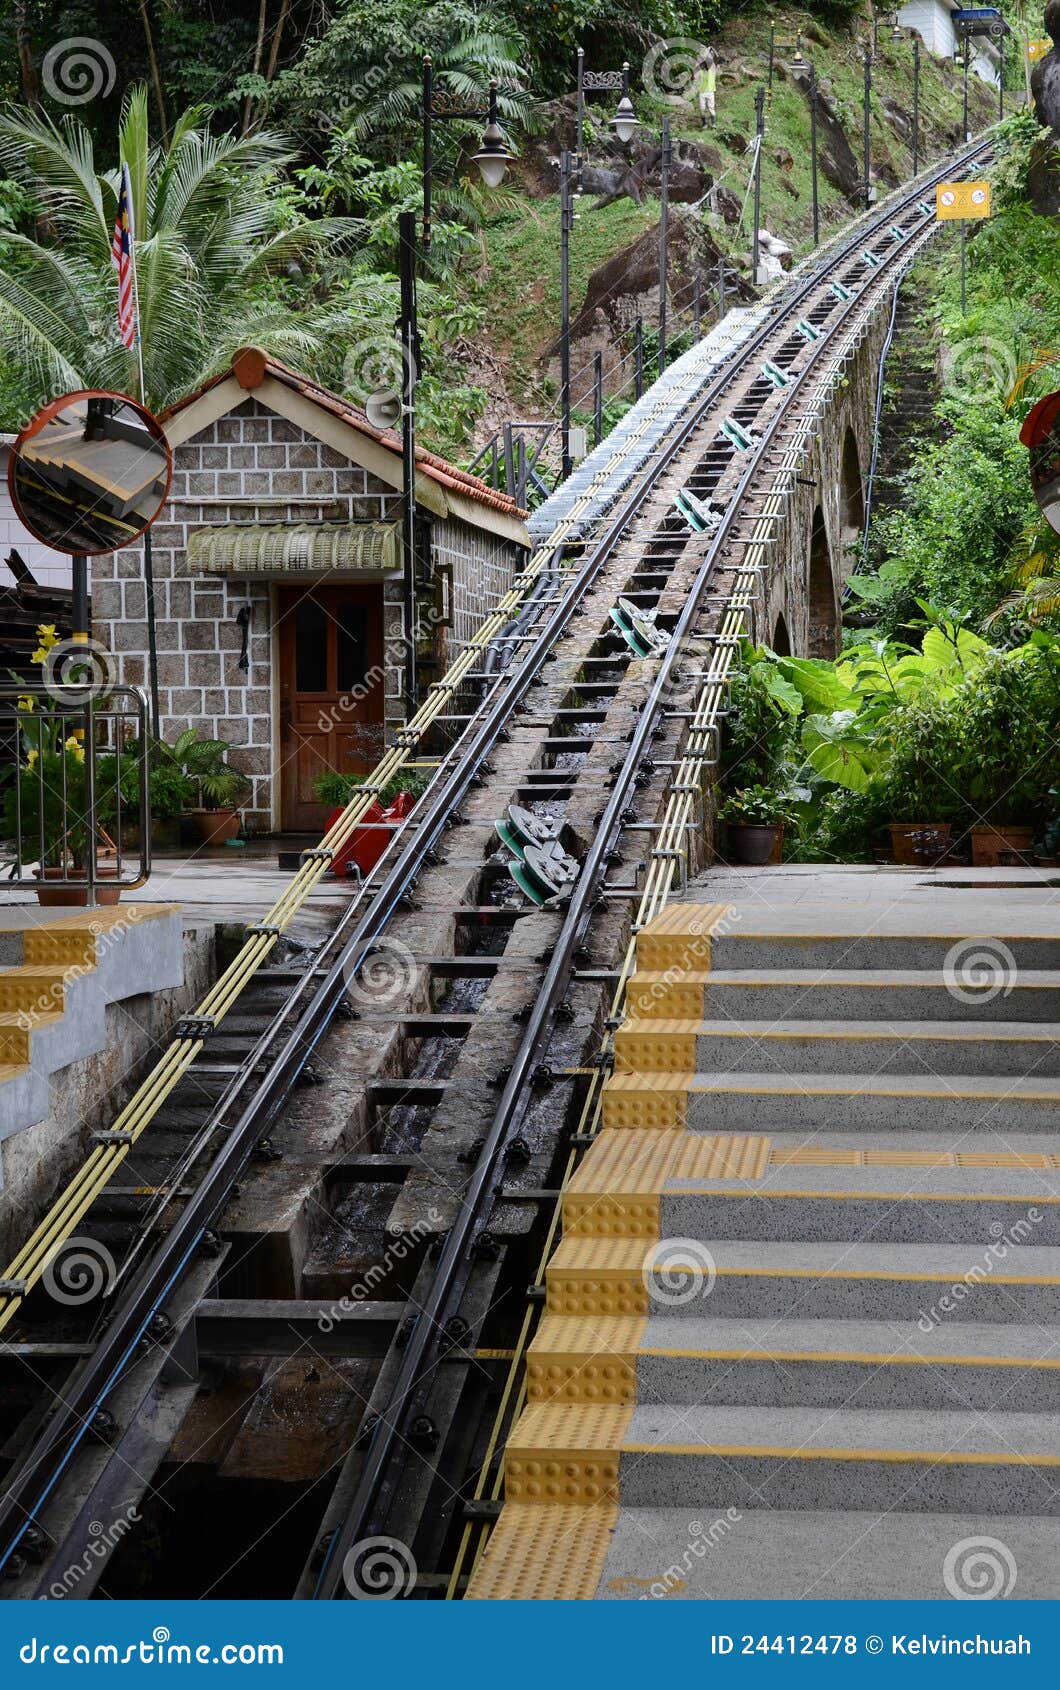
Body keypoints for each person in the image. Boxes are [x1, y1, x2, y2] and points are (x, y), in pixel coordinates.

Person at [695, 49, 717, 130]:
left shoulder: (712, 71)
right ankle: (705, 124)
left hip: (710, 92)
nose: (706, 66)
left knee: (711, 108)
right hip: (702, 92)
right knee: (702, 109)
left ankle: (713, 124)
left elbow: (714, 60)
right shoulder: (700, 72)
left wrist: (711, 51)